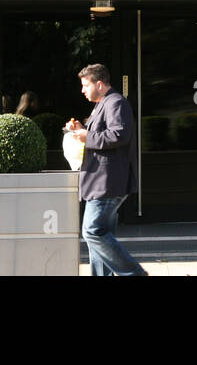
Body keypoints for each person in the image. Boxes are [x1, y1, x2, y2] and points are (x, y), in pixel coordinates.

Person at [68, 64, 146, 276]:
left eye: (85, 85)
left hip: (107, 182)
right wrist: (80, 132)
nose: (82, 90)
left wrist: (87, 136)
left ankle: (134, 273)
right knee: (100, 236)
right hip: (101, 181)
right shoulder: (105, 103)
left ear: (99, 84)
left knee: (92, 231)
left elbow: (119, 134)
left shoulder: (116, 102)